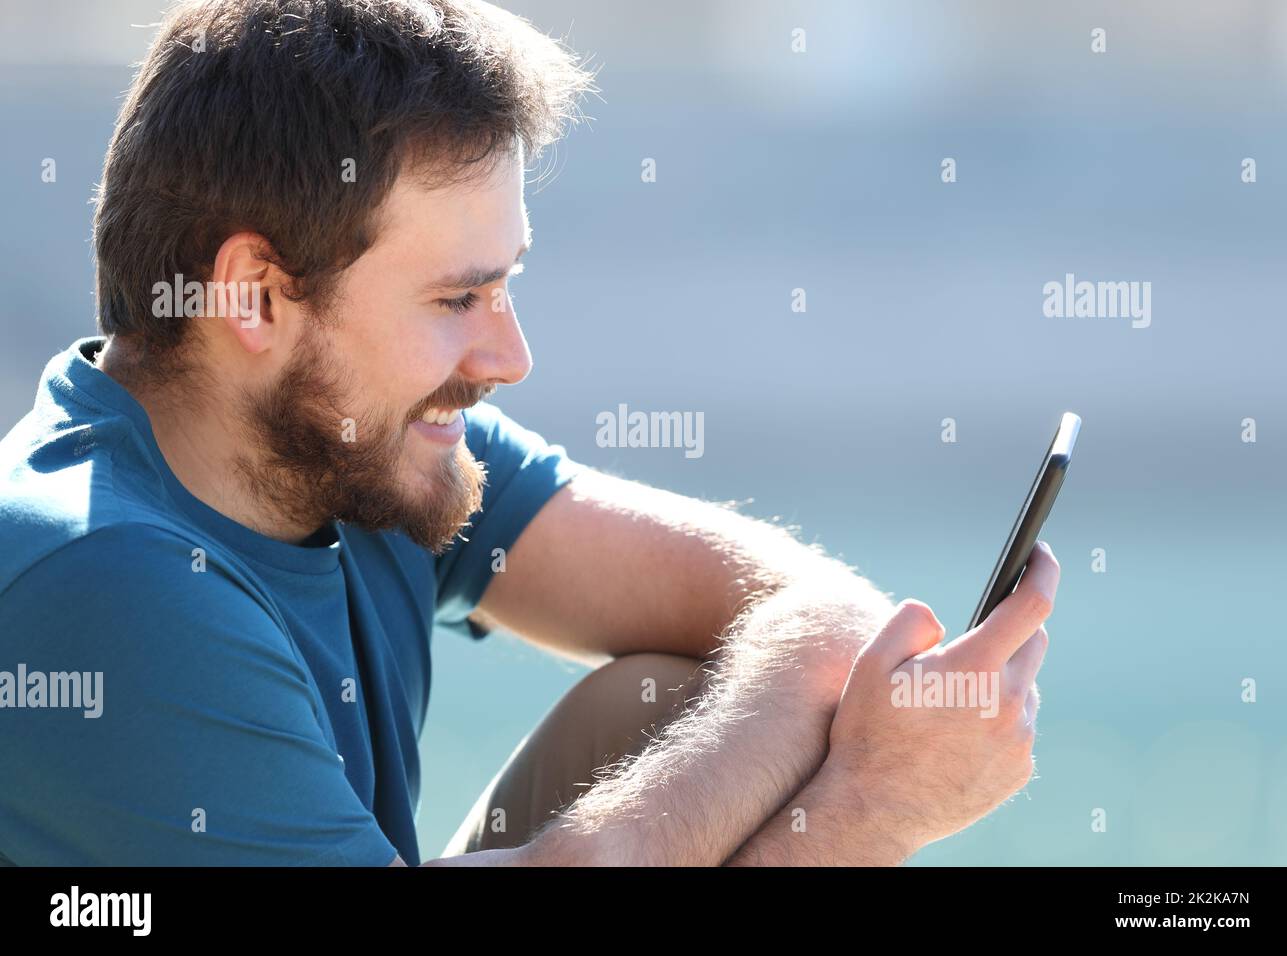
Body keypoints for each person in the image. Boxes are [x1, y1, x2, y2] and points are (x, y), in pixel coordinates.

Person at [0, 0, 1056, 866]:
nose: (509, 358)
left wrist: (636, 840)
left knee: (676, 703)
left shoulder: (357, 447)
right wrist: (867, 812)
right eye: (460, 297)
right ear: (257, 300)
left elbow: (824, 628)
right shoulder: (110, 582)